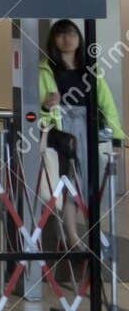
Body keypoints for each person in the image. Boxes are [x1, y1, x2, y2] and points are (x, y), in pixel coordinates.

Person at [38, 19, 124, 268]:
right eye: (61, 34)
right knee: (67, 181)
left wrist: (116, 135)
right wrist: (46, 106)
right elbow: (36, 110)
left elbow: (106, 104)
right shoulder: (46, 69)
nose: (67, 39)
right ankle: (72, 234)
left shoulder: (91, 69)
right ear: (53, 39)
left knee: (85, 180)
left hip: (87, 128)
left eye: (72, 33)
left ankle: (72, 231)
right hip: (61, 132)